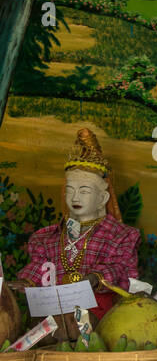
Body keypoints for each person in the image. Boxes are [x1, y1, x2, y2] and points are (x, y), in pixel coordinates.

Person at [16, 127, 139, 320]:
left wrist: (95, 278)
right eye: (70, 190)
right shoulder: (47, 237)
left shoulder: (121, 236)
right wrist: (25, 282)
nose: (75, 197)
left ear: (103, 197)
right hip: (55, 317)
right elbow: (39, 266)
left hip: (100, 317)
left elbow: (122, 270)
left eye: (84, 191)